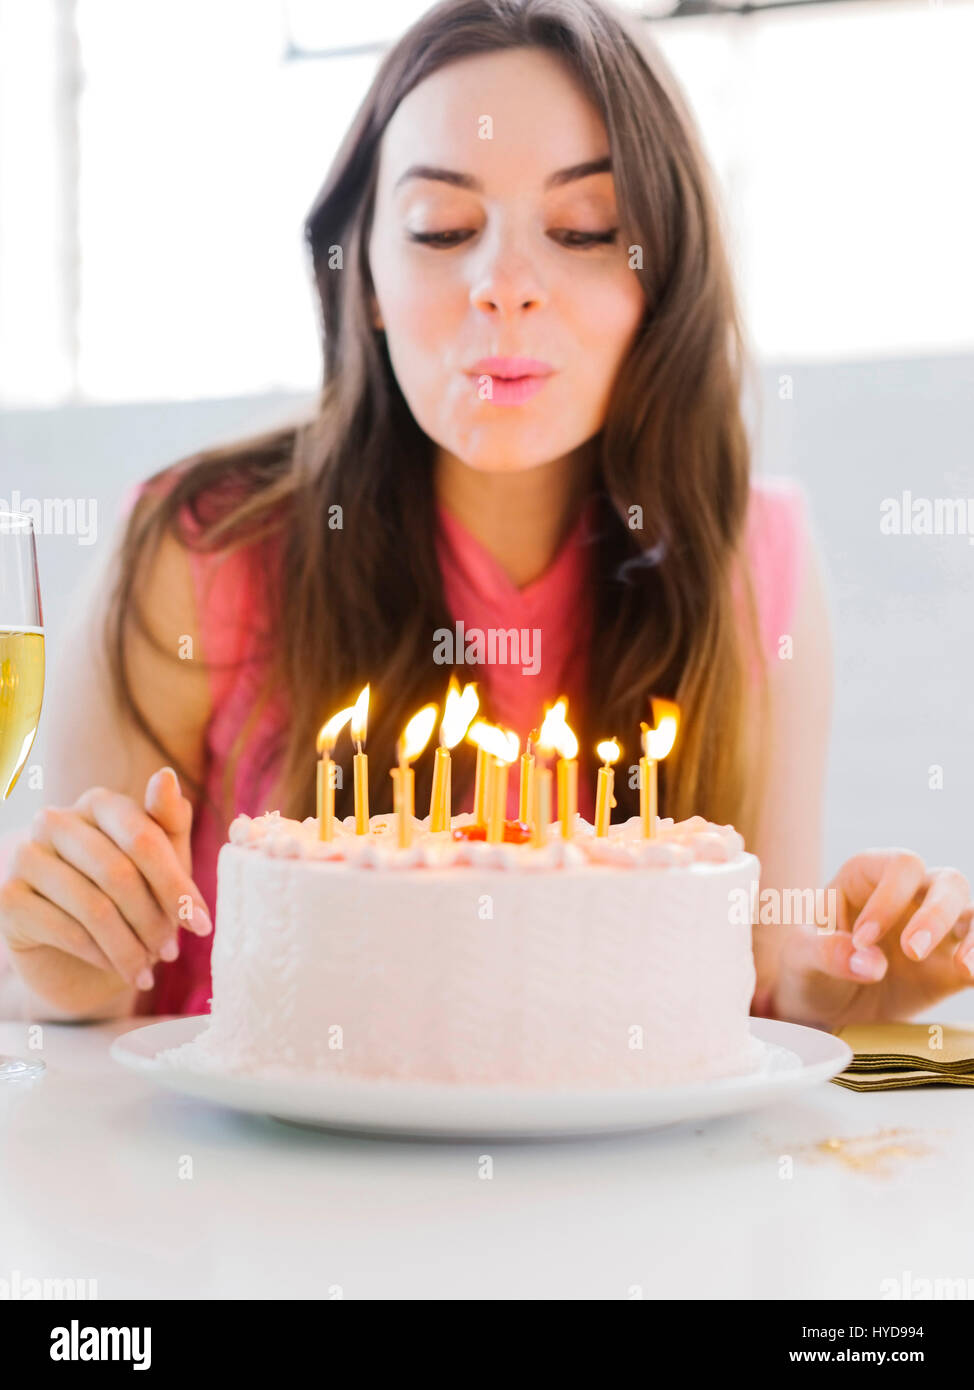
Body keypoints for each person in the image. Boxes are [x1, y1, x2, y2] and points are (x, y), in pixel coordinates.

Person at [1, 0, 971, 1033]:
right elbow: (79, 1003)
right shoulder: (198, 545)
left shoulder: (751, 560)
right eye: (442, 229)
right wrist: (63, 968)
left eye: (584, 231)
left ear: (661, 273)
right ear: (361, 270)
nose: (503, 286)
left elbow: (757, 986)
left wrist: (849, 984)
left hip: (631, 1198)